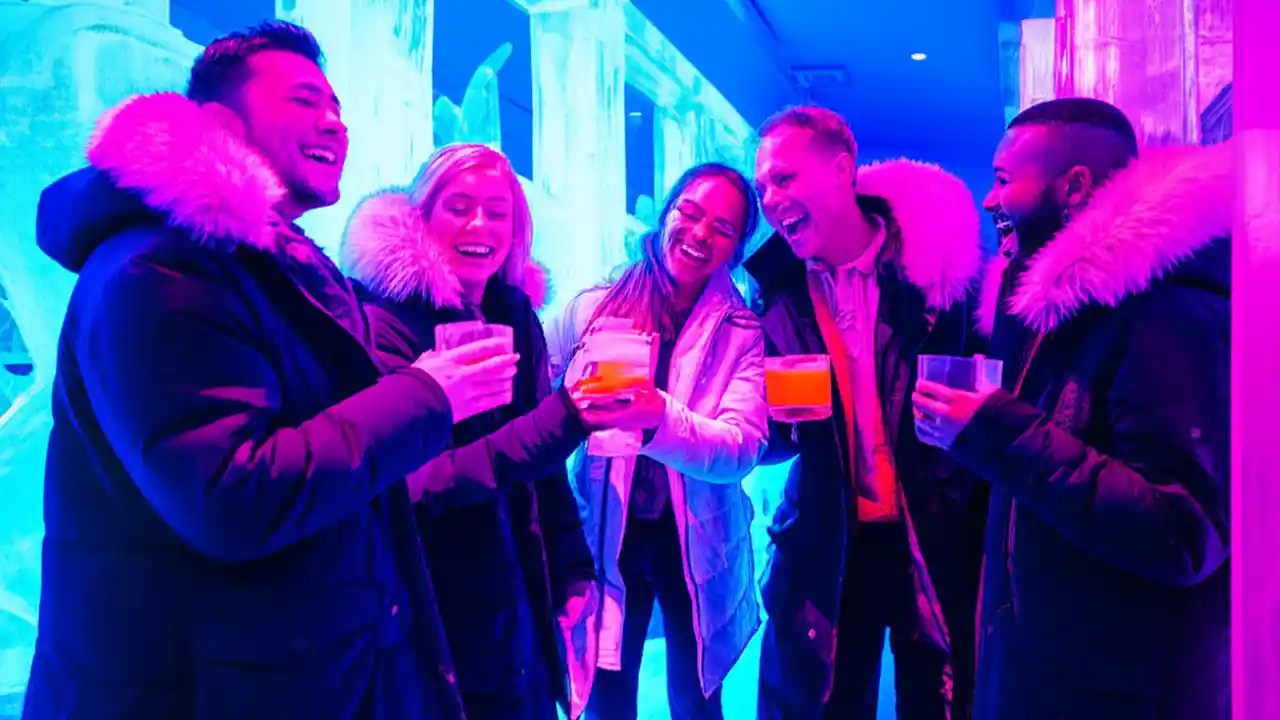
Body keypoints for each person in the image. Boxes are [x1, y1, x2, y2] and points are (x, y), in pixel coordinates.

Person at [24, 21, 514, 719]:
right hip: (191, 691)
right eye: (306, 101)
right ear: (222, 124)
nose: (335, 123)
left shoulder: (269, 266)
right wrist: (429, 392)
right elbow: (233, 495)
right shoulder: (157, 269)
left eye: (338, 107)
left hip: (296, 675)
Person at [914, 97, 1231, 720]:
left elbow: (1183, 534)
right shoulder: (1065, 312)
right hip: (1059, 677)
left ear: (1075, 185)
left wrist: (997, 432)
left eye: (1003, 180)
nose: (989, 200)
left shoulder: (1165, 315)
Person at [340, 142, 599, 720]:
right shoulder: (384, 324)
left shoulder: (514, 314)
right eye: (458, 206)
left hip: (517, 604)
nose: (480, 224)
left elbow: (543, 473)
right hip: (431, 610)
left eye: (498, 211)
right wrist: (566, 416)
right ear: (421, 216)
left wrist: (572, 563)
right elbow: (413, 486)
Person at [746, 105, 986, 720]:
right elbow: (774, 440)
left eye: (784, 179)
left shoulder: (938, 272)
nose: (769, 200)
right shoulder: (775, 288)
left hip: (932, 535)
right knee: (822, 706)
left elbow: (991, 404)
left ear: (842, 170)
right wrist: (772, 425)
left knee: (939, 706)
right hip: (824, 541)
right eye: (762, 187)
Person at [546, 162, 768, 720]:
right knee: (606, 699)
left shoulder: (742, 332)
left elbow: (741, 447)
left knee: (696, 703)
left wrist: (656, 420)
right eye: (689, 213)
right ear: (666, 212)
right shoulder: (593, 307)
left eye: (721, 227)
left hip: (697, 540)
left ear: (738, 247)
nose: (698, 234)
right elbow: (536, 396)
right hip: (606, 530)